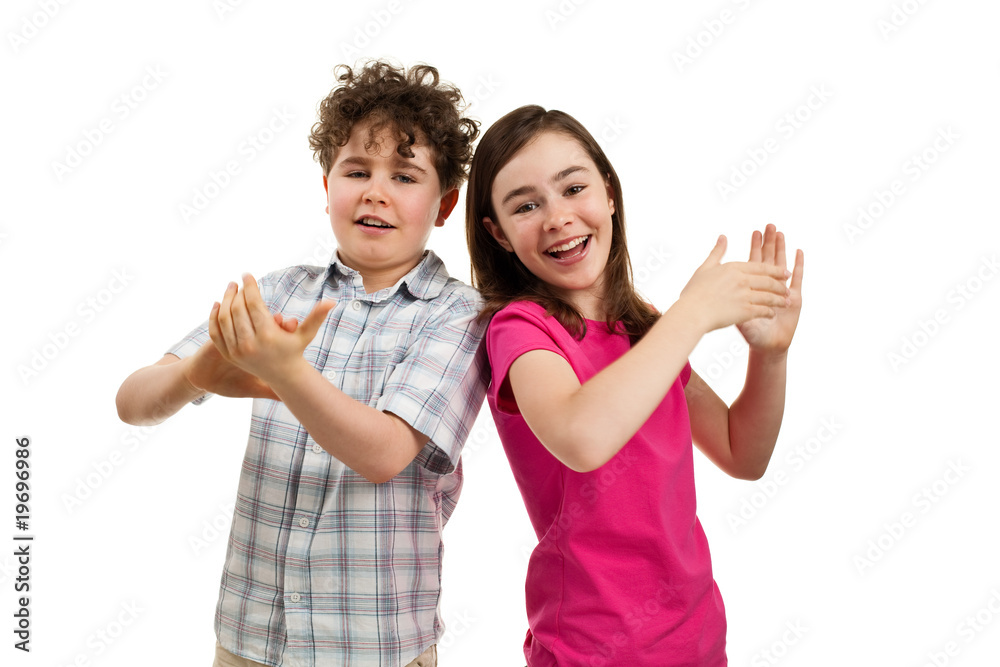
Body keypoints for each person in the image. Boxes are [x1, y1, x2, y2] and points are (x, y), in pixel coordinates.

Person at [116, 61, 485, 667]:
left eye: (405, 175)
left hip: (377, 648)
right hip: (247, 641)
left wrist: (288, 375)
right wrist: (192, 375)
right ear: (326, 188)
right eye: (357, 170)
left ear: (444, 204)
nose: (375, 191)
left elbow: (384, 453)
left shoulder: (458, 316)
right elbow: (132, 403)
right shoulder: (280, 293)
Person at [465, 105, 804, 666]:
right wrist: (691, 315)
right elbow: (581, 436)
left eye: (574, 188)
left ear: (610, 194)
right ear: (497, 234)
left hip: (696, 637)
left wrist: (770, 355)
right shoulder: (521, 329)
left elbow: (744, 453)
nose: (557, 217)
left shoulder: (645, 327)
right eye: (526, 205)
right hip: (589, 649)